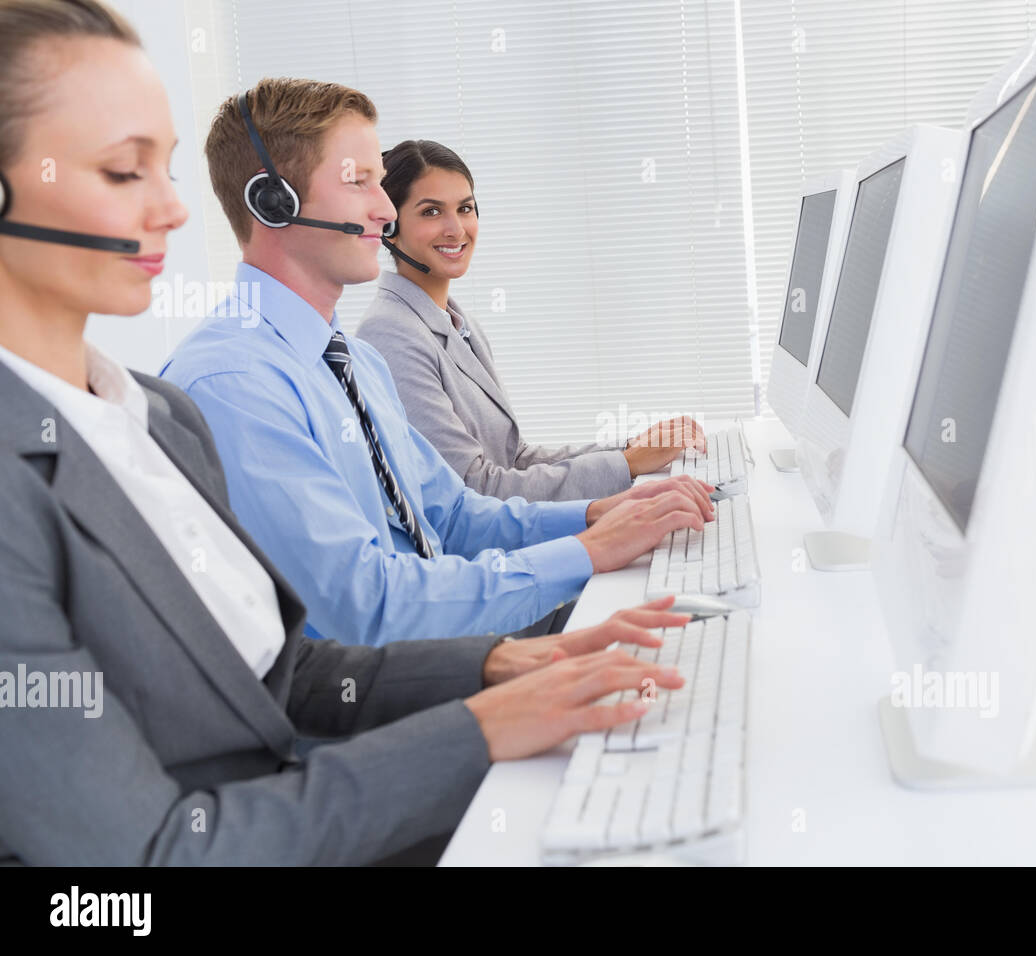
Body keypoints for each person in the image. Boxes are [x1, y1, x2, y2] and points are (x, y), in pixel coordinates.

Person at [0, 0, 685, 866]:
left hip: (336, 766)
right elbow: (142, 865)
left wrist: (494, 667)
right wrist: (476, 729)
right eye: (122, 171)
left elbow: (281, 671)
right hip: (282, 823)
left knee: (670, 764)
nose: (173, 211)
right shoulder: (216, 390)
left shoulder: (154, 417)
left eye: (166, 169)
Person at [161, 77, 716, 646]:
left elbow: (453, 516)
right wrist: (585, 553)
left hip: (445, 648)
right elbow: (366, 606)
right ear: (272, 203)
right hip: (383, 697)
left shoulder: (354, 364)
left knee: (696, 628)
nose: (383, 211)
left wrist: (600, 513)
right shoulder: (234, 385)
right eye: (360, 183)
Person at [358, 138, 708, 502]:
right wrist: (628, 463)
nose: (456, 229)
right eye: (431, 212)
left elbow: (514, 459)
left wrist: (630, 448)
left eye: (465, 208)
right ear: (389, 226)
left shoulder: (458, 324)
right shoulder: (391, 334)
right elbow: (475, 488)